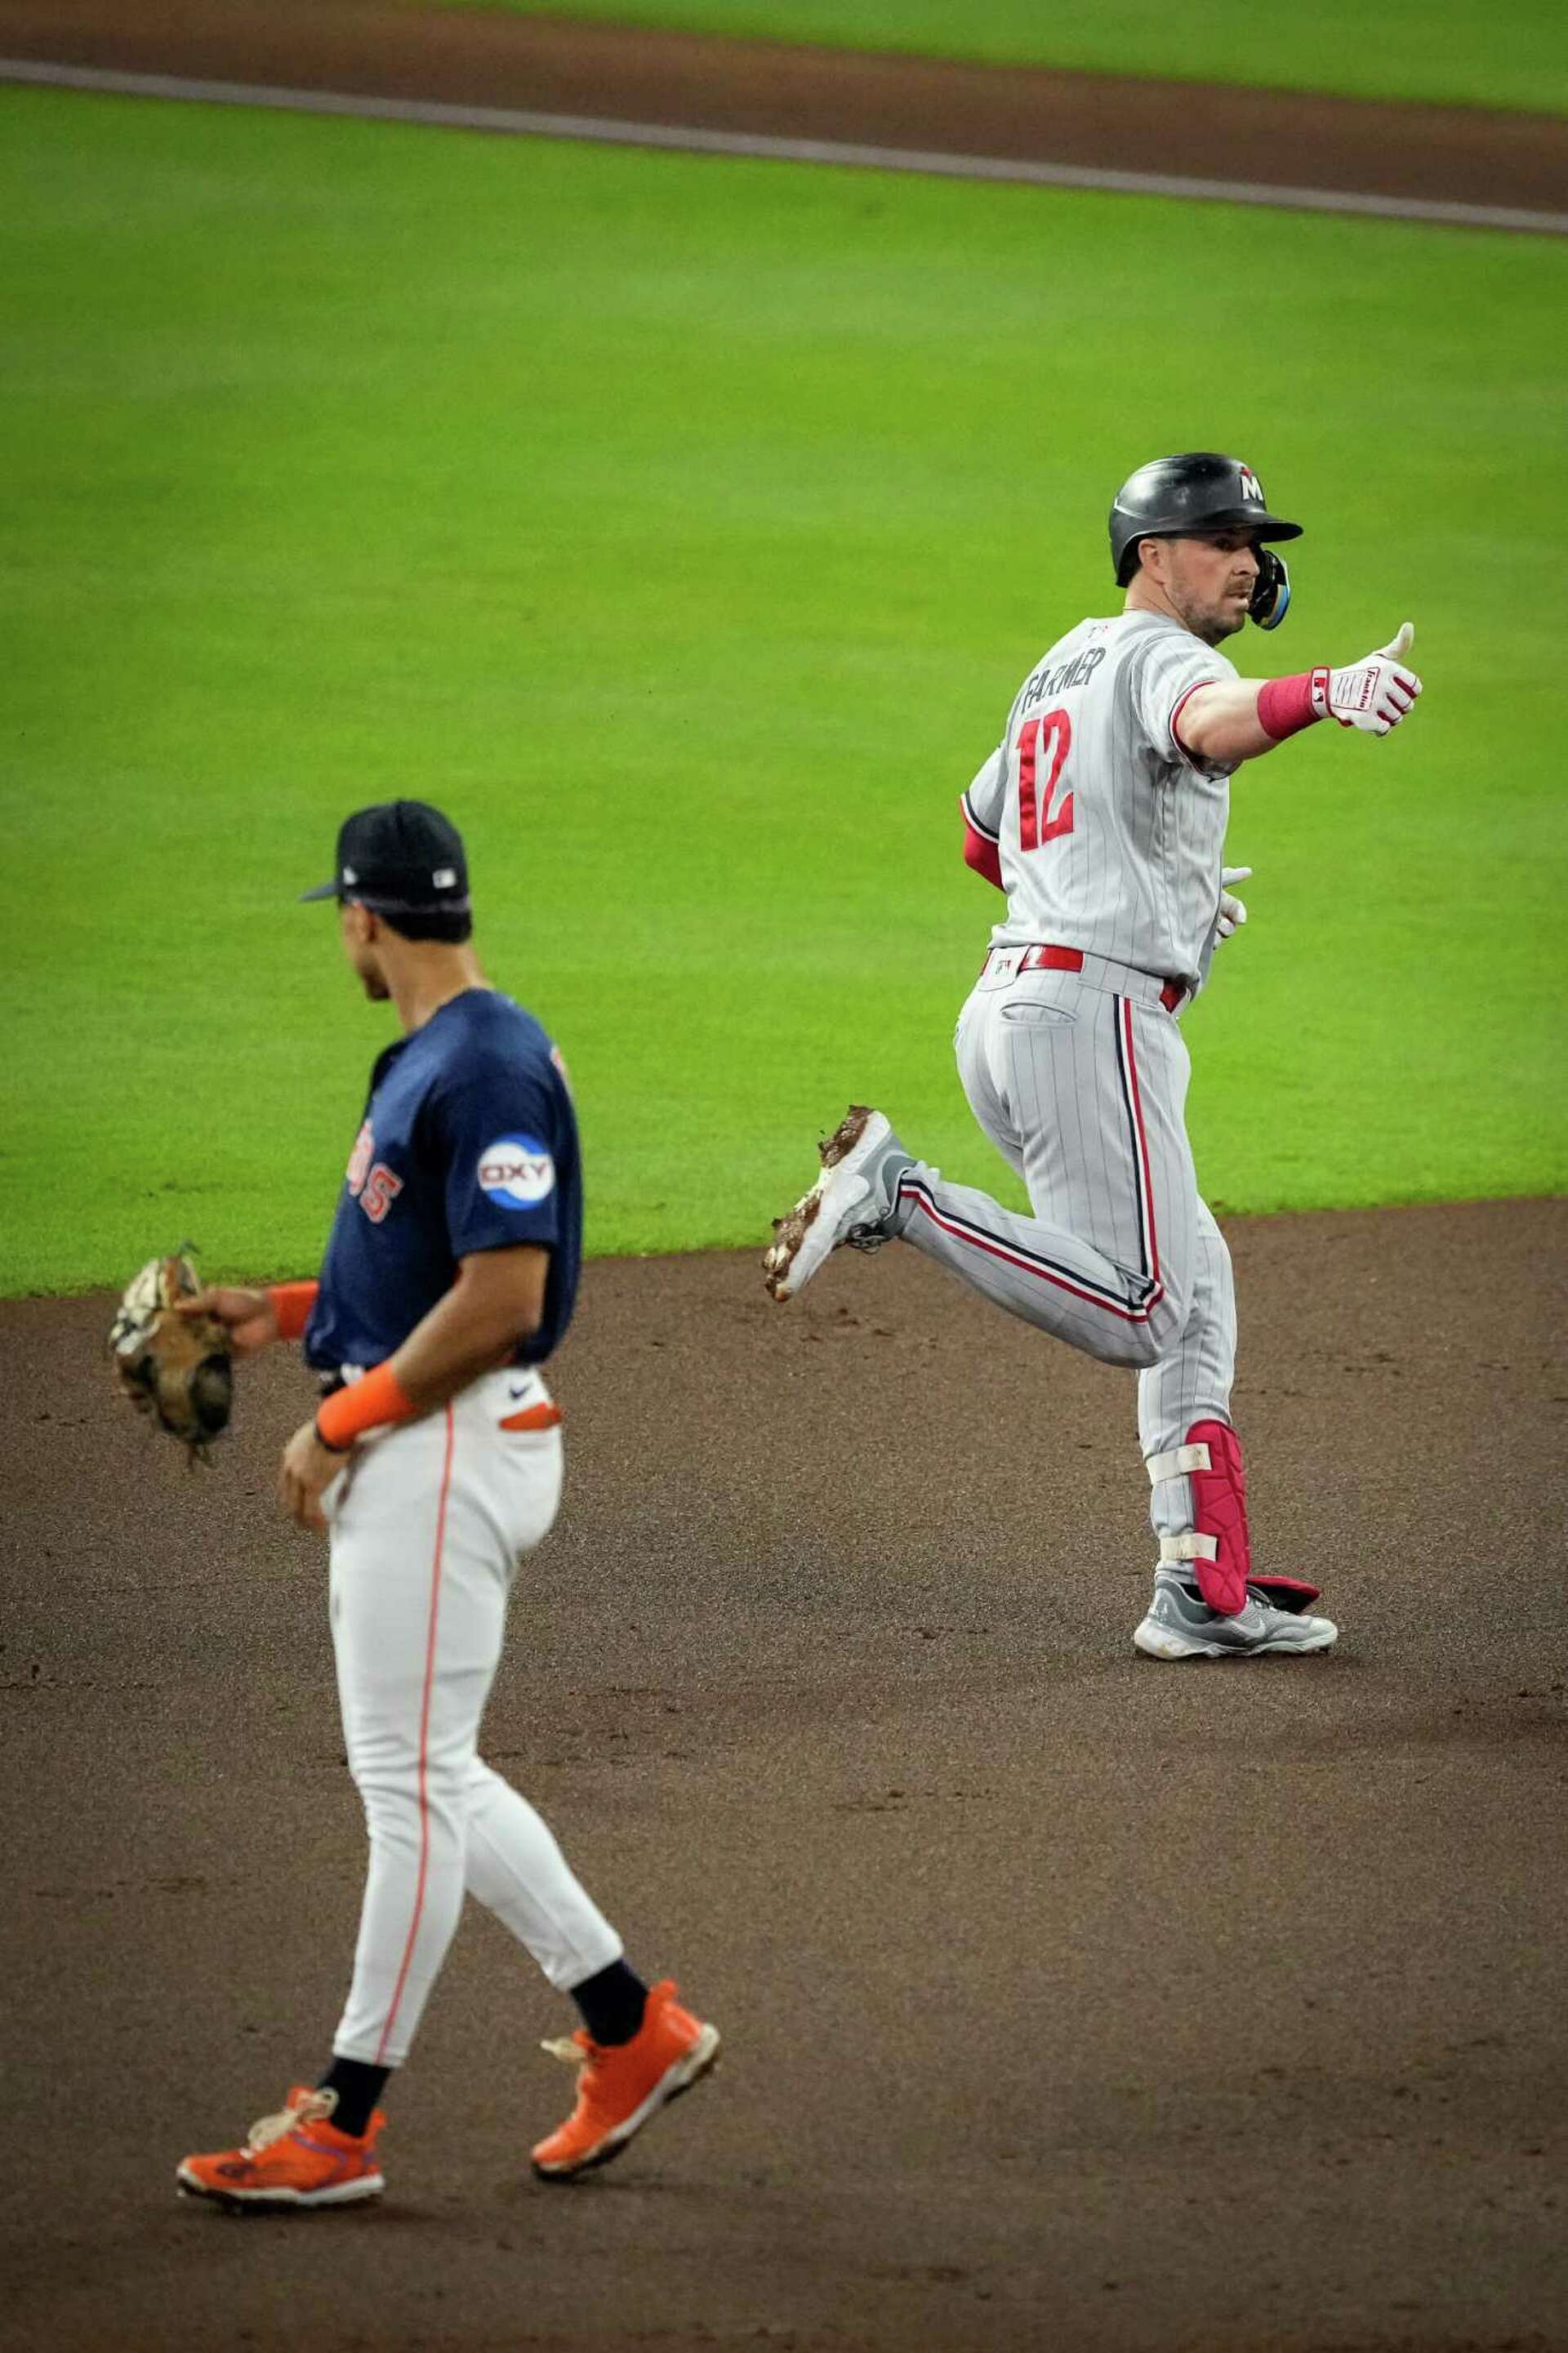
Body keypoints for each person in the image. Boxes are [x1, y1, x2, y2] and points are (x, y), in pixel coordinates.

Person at [764, 453, 1422, 1662]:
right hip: (1091, 1019)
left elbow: (981, 836)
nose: (1249, 559)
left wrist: (1142, 879)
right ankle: (897, 1193)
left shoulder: (1056, 663)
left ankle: (1197, 1582)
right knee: (1145, 1303)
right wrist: (1323, 691)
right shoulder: (1170, 657)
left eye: (1254, 539)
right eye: (1221, 536)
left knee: (1196, 1282)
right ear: (1151, 554)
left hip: (1013, 1012)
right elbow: (1208, 720)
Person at [172, 800, 719, 2209]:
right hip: (441, 1435)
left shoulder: (481, 1069)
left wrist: (338, 1419)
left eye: (339, 920)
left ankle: (342, 2122)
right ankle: (627, 2026)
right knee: (435, 1773)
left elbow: (505, 1296)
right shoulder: (445, 1053)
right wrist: (280, 1316)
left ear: (364, 918)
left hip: (444, 1450)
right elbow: (422, 1264)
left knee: (408, 1789)